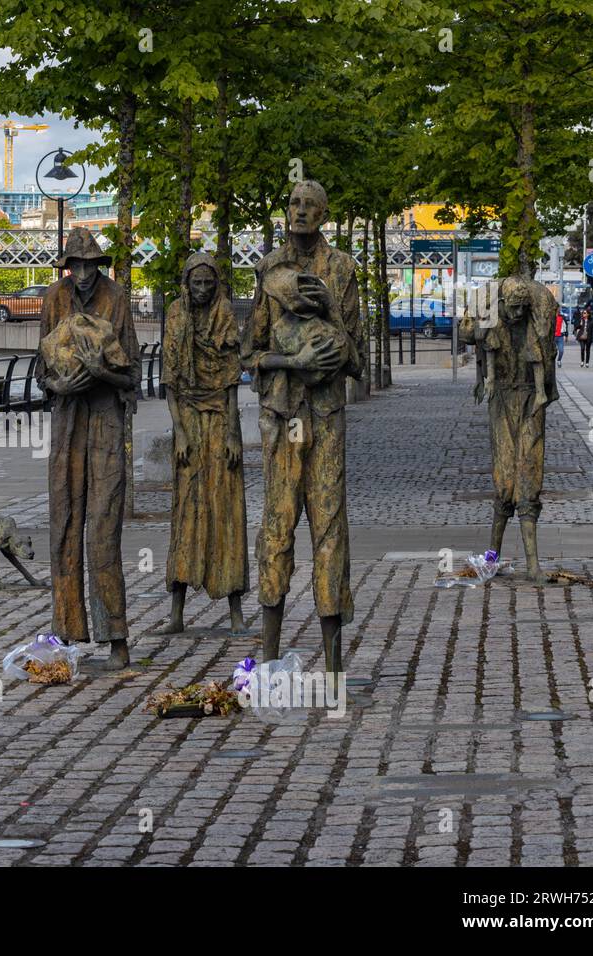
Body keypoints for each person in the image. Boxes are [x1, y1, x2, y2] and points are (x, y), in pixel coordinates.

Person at [242, 179, 363, 677]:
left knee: (330, 528)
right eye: (293, 202)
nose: (300, 211)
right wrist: (293, 359)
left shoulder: (342, 269)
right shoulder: (270, 269)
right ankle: (269, 659)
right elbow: (249, 356)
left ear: (324, 213)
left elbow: (357, 358)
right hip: (281, 418)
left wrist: (331, 313)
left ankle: (334, 667)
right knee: (277, 524)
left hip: (327, 416)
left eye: (310, 204)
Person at [37, 227, 142, 670]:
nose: (82, 274)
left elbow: (132, 374)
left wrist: (102, 373)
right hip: (66, 423)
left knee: (103, 528)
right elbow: (41, 371)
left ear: (99, 266)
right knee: (64, 525)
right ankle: (66, 635)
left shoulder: (116, 298)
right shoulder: (53, 298)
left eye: (89, 266)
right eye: (75, 265)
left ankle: (116, 635)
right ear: (66, 266)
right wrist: (59, 383)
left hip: (104, 421)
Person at [159, 252, 248, 635]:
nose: (201, 290)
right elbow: (171, 382)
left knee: (227, 508)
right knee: (187, 509)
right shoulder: (176, 314)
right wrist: (178, 432)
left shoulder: (224, 313)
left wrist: (232, 434)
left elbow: (230, 381)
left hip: (219, 419)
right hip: (189, 421)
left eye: (208, 284)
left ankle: (235, 610)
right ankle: (177, 610)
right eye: (195, 283)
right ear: (186, 283)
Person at [460, 277, 557, 582]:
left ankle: (532, 564)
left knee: (529, 471)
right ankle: (492, 557)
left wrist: (541, 392)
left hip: (530, 398)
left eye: (521, 310)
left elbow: (543, 352)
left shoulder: (539, 308)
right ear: (501, 305)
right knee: (504, 478)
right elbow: (467, 333)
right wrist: (483, 323)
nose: (516, 316)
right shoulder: (487, 303)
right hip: (501, 396)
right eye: (512, 310)